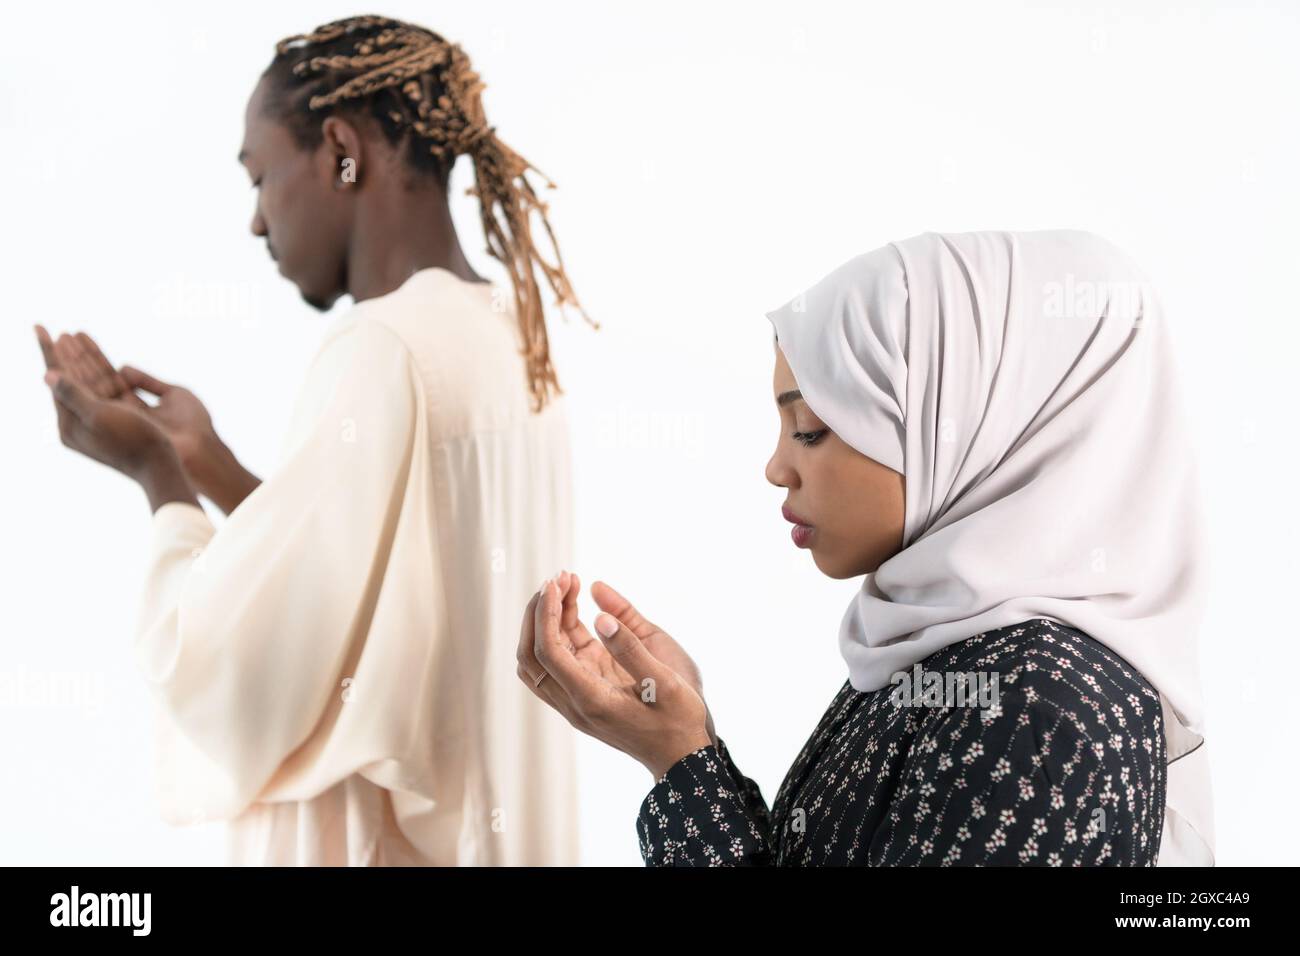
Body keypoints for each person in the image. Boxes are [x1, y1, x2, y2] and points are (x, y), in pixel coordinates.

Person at [36, 14, 594, 865]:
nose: (257, 223)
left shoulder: (383, 346)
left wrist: (157, 476)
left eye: (259, 177)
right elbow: (382, 581)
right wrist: (210, 462)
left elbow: (239, 678)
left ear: (341, 149)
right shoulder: (509, 331)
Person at [517, 229, 1214, 866]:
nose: (776, 467)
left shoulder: (1034, 713)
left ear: (966, 418)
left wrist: (679, 756)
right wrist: (681, 741)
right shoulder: (950, 654)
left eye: (811, 428)